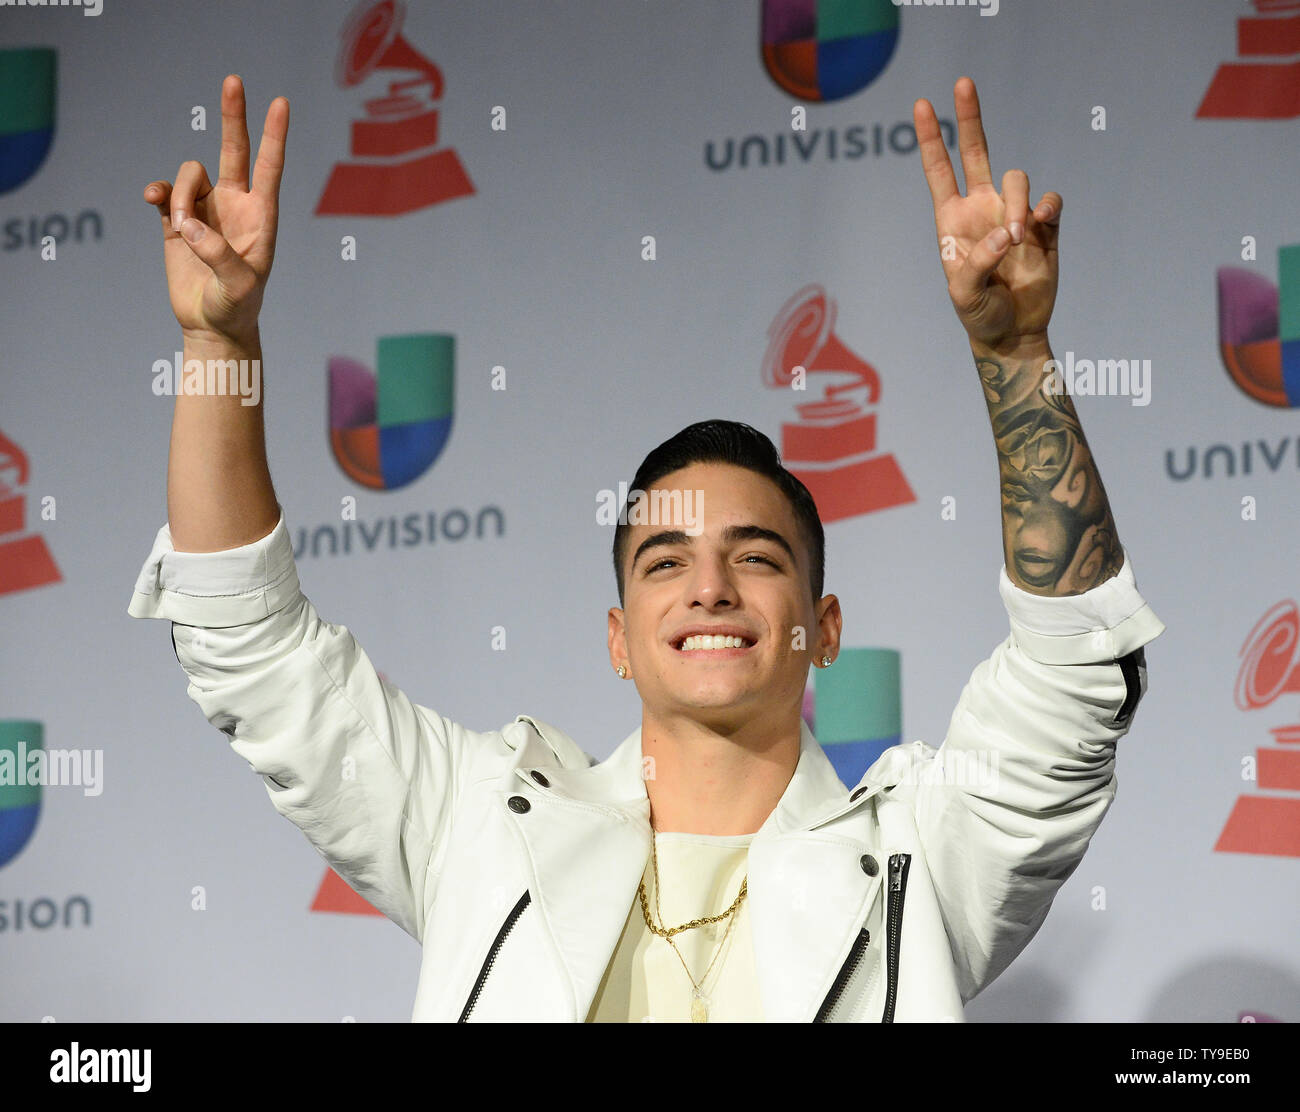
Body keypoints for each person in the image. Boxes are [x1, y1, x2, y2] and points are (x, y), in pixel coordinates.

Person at [129, 74, 1164, 1022]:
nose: (708, 587)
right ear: (619, 637)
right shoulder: (481, 823)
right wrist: (219, 345)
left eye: (756, 556)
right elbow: (250, 645)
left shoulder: (918, 857)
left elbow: (1072, 672)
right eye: (665, 562)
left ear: (824, 625)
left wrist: (1012, 354)